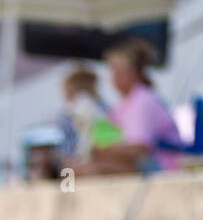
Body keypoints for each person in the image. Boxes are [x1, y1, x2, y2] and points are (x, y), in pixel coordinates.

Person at [75, 37, 182, 175]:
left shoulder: (143, 100)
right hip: (142, 166)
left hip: (160, 169)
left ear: (133, 72)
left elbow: (140, 150)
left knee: (88, 171)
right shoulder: (125, 104)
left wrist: (99, 151)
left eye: (117, 70)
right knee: (73, 169)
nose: (113, 77)